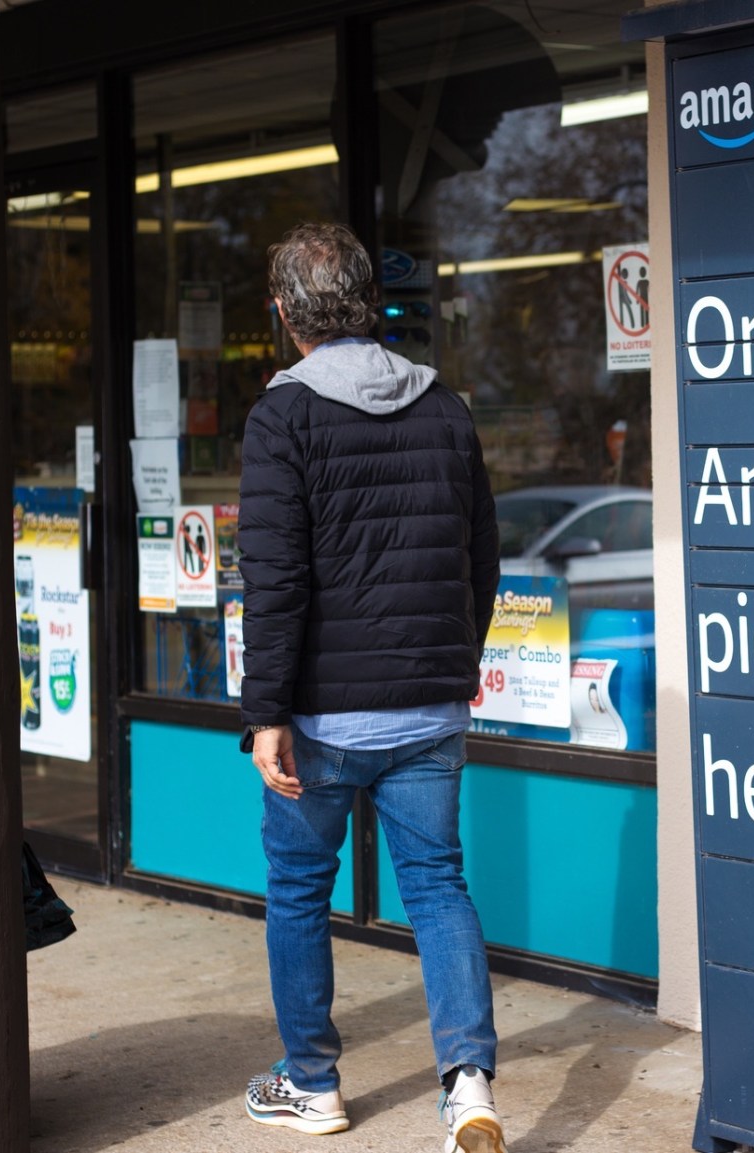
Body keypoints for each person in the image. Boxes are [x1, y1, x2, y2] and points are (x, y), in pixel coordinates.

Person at [236, 222, 505, 1152]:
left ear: (285, 315)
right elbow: (483, 559)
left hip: (319, 716)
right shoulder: (447, 408)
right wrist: (449, 665)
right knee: (437, 886)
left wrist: (265, 712)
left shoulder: (283, 417)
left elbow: (274, 579)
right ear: (368, 302)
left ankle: (312, 1085)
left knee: (300, 890)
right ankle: (469, 1085)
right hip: (428, 710)